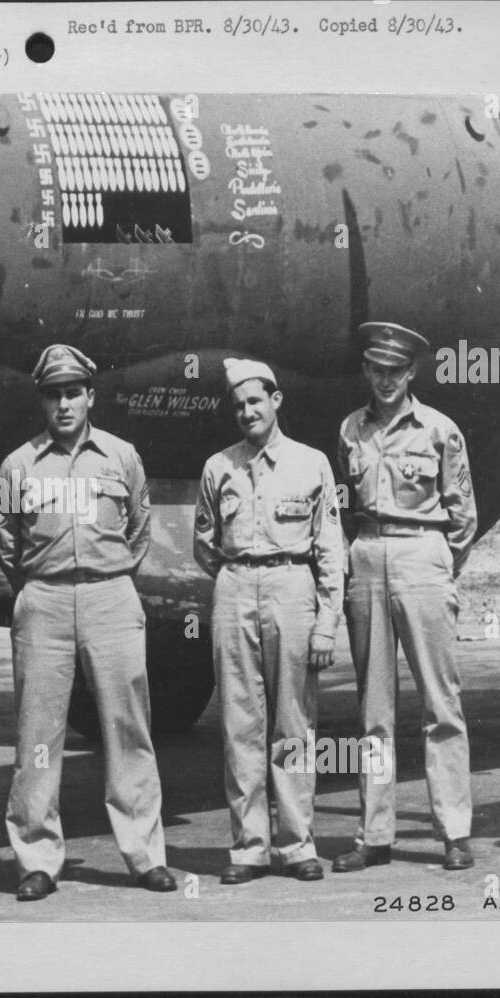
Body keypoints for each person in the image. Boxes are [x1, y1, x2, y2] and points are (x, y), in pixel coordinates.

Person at [0, 344, 174, 901]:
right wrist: (42, 586)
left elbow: (140, 527)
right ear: (43, 401)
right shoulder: (19, 465)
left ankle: (144, 855)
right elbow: (6, 542)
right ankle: (37, 858)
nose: (64, 404)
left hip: (111, 598)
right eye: (54, 394)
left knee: (127, 729)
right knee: (37, 736)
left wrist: (109, 578)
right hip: (44, 601)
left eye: (73, 393)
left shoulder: (121, 458)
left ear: (90, 396)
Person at [333, 322, 479, 873]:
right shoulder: (351, 429)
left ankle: (454, 832)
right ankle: (375, 835)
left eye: (396, 370)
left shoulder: (440, 430)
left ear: (411, 372)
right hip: (368, 555)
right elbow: (346, 502)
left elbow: (462, 514)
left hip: (422, 554)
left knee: (441, 705)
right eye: (377, 369)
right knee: (373, 710)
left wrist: (439, 563)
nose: (386, 379)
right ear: (367, 370)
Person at [193, 358, 344, 884]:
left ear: (276, 401)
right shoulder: (219, 467)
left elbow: (330, 550)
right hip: (235, 588)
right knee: (240, 725)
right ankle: (249, 848)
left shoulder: (312, 464)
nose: (247, 412)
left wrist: (326, 623)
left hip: (292, 588)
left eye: (255, 401)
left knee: (294, 723)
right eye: (238, 405)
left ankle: (297, 844)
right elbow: (205, 545)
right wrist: (239, 578)